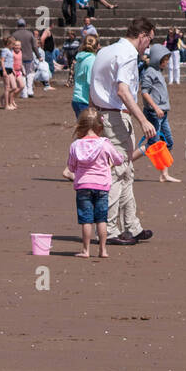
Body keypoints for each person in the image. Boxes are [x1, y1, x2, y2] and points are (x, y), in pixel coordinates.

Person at [88, 16, 157, 246]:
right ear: (142, 36)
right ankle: (109, 229)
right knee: (118, 172)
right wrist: (143, 120)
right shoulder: (128, 54)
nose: (149, 45)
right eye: (150, 40)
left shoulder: (105, 50)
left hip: (101, 113)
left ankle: (131, 226)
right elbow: (123, 91)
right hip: (116, 115)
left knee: (126, 170)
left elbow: (94, 85)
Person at [62, 108, 124, 258]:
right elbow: (118, 160)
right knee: (101, 219)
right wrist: (113, 161)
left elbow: (71, 167)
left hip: (83, 185)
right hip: (102, 186)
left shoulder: (76, 145)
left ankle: (86, 250)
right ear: (100, 127)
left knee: (86, 220)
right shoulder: (105, 144)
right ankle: (103, 250)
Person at [137, 44, 180, 183]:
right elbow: (144, 92)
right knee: (152, 145)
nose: (167, 62)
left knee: (168, 142)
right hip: (154, 114)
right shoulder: (149, 72)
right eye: (165, 59)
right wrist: (156, 107)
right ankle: (124, 163)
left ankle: (164, 174)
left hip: (163, 114)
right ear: (157, 59)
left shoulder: (158, 71)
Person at [71, 33, 99, 118]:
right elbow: (90, 83)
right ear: (97, 46)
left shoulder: (80, 58)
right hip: (85, 100)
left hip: (76, 98)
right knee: (89, 129)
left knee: (83, 129)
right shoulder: (92, 60)